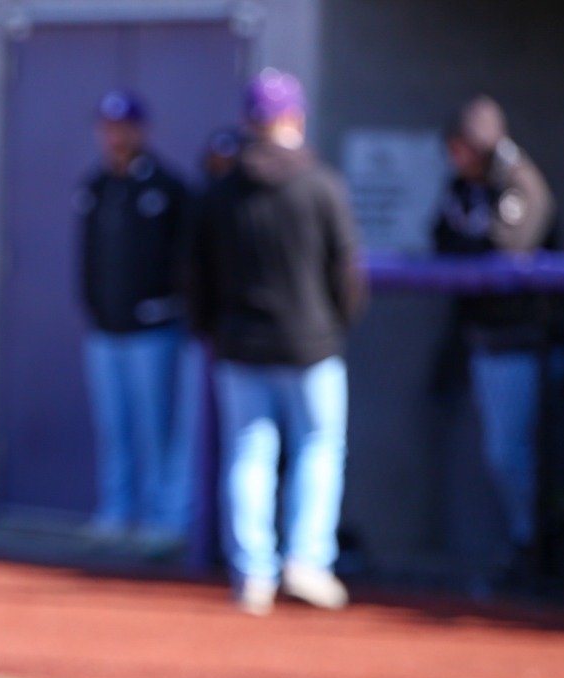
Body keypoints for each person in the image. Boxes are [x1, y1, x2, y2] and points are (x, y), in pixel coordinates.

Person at [187, 69, 366, 615]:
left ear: (248, 121)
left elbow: (195, 279)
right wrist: (337, 324)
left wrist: (210, 330)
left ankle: (254, 574)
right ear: (296, 118)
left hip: (241, 345)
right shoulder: (321, 184)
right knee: (317, 449)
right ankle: (308, 562)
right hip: (311, 344)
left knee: (250, 456)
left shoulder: (221, 193)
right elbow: (347, 273)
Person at [432, 96, 556, 581]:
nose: (454, 157)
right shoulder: (462, 186)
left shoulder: (521, 180)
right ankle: (523, 543)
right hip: (479, 337)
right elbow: (440, 239)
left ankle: (533, 546)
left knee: (512, 453)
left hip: (524, 340)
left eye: (461, 148)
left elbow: (504, 250)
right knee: (499, 452)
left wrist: (468, 249)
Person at [76, 91, 195, 550]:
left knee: (157, 428)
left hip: (155, 331)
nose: (115, 136)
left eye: (124, 126)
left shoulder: (167, 187)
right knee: (115, 428)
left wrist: (170, 304)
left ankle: (165, 521)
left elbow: (184, 257)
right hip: (106, 330)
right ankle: (117, 512)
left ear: (141, 130)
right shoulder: (95, 186)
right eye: (107, 126)